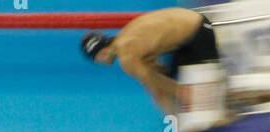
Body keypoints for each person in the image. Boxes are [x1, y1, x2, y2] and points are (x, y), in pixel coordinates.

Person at [80, 10, 219, 116]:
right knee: (170, 80)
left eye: (96, 60)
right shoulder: (126, 40)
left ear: (101, 53)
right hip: (194, 30)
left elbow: (153, 80)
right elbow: (155, 82)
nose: (99, 63)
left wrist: (181, 94)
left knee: (205, 104)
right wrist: (172, 112)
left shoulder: (126, 57)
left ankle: (227, 104)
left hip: (199, 35)